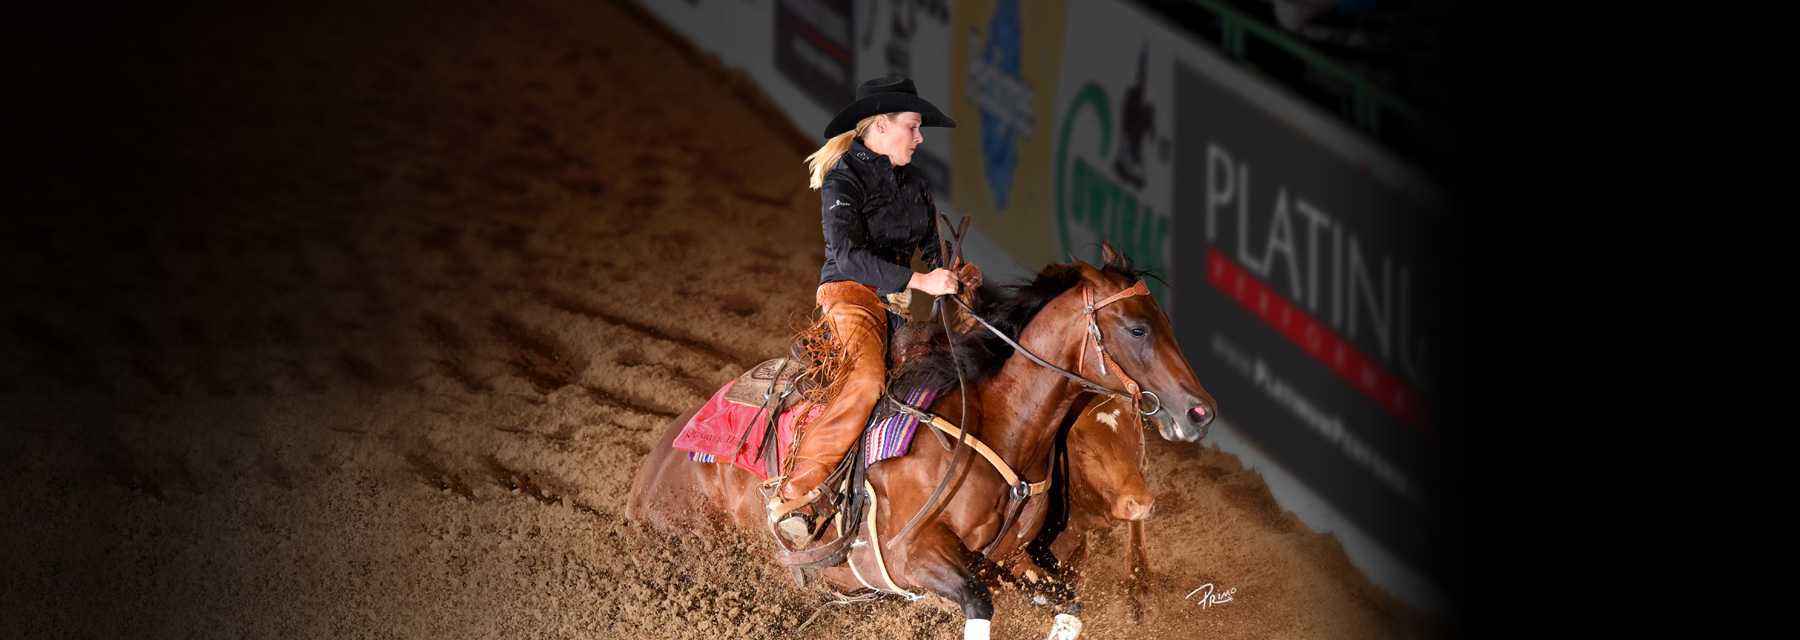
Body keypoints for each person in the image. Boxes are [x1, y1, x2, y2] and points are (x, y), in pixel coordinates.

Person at [772, 76, 980, 542]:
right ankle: (797, 492)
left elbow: (933, 249)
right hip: (850, 299)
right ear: (881, 126)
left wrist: (957, 271)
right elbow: (846, 255)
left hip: (896, 308)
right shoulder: (843, 178)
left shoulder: (916, 184)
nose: (921, 137)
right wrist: (921, 280)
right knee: (867, 381)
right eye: (914, 126)